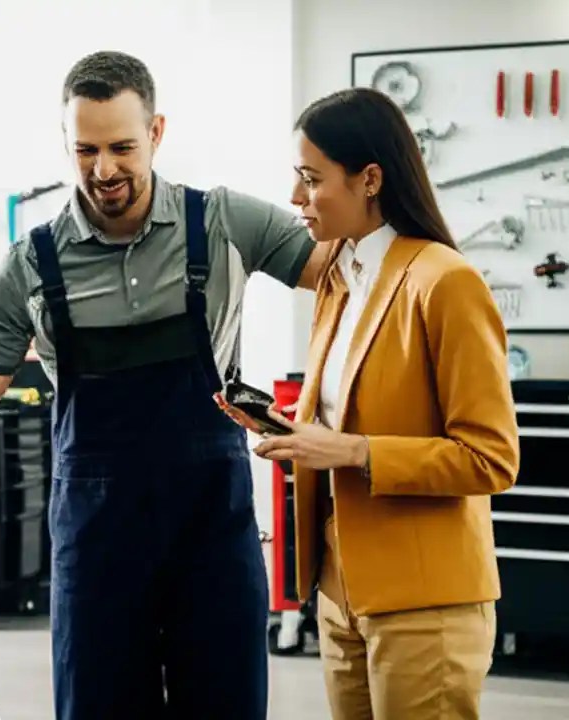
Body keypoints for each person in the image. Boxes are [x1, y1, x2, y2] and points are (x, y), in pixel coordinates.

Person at [0, 50, 324, 719]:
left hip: (212, 536)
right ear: (66, 144)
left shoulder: (225, 222)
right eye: (86, 150)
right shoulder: (31, 266)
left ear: (158, 133)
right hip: (99, 547)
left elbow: (345, 281)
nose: (105, 169)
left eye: (122, 146)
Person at [218, 87, 520, 720]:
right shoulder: (340, 278)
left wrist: (352, 452)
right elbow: (348, 418)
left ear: (370, 179)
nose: (296, 198)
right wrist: (288, 430)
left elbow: (491, 459)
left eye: (310, 179)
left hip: (424, 601)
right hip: (342, 592)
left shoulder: (446, 282)